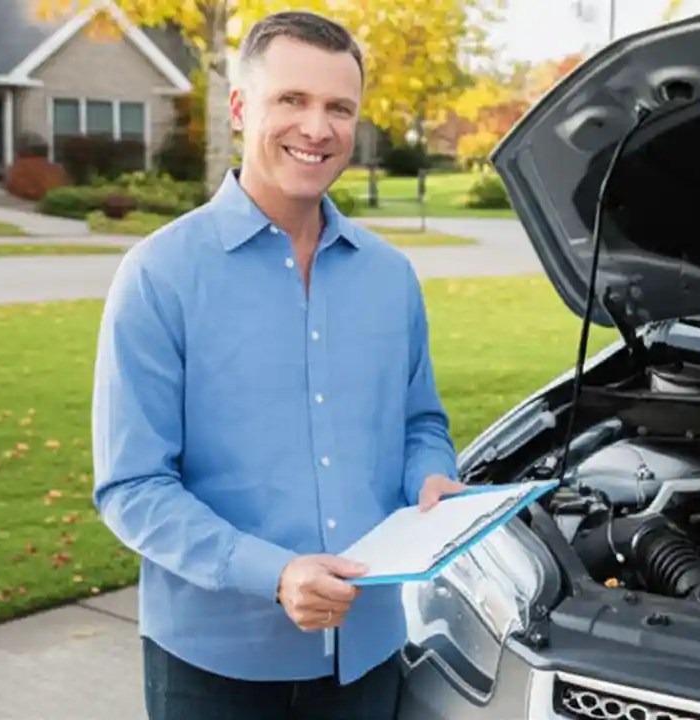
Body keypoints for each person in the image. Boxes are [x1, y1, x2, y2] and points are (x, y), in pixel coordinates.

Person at [90, 10, 466, 719]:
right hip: (214, 665)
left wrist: (431, 479)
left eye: (338, 108)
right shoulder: (159, 275)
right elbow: (132, 486)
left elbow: (420, 422)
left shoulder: (391, 278)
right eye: (292, 99)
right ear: (240, 107)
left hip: (368, 652)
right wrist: (274, 574)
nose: (316, 128)